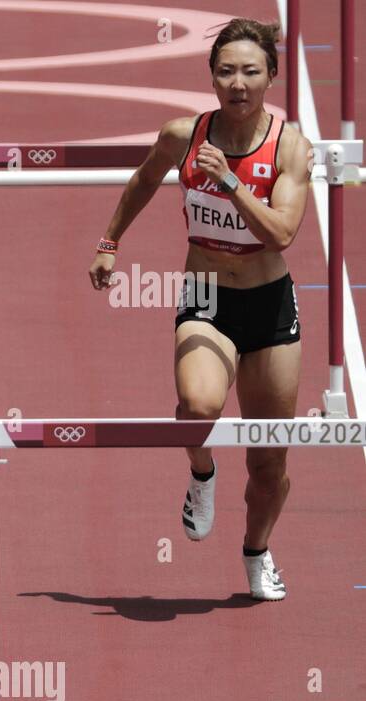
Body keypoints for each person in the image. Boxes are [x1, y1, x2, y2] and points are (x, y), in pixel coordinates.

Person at [89, 19, 312, 601]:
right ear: (211, 76)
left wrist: (232, 184)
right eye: (226, 71)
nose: (237, 84)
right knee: (196, 405)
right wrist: (110, 242)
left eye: (250, 72)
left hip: (269, 306)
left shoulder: (290, 146)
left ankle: (257, 551)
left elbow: (283, 232)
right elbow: (141, 180)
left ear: (271, 77)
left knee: (268, 468)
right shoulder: (183, 135)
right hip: (206, 295)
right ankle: (201, 472)